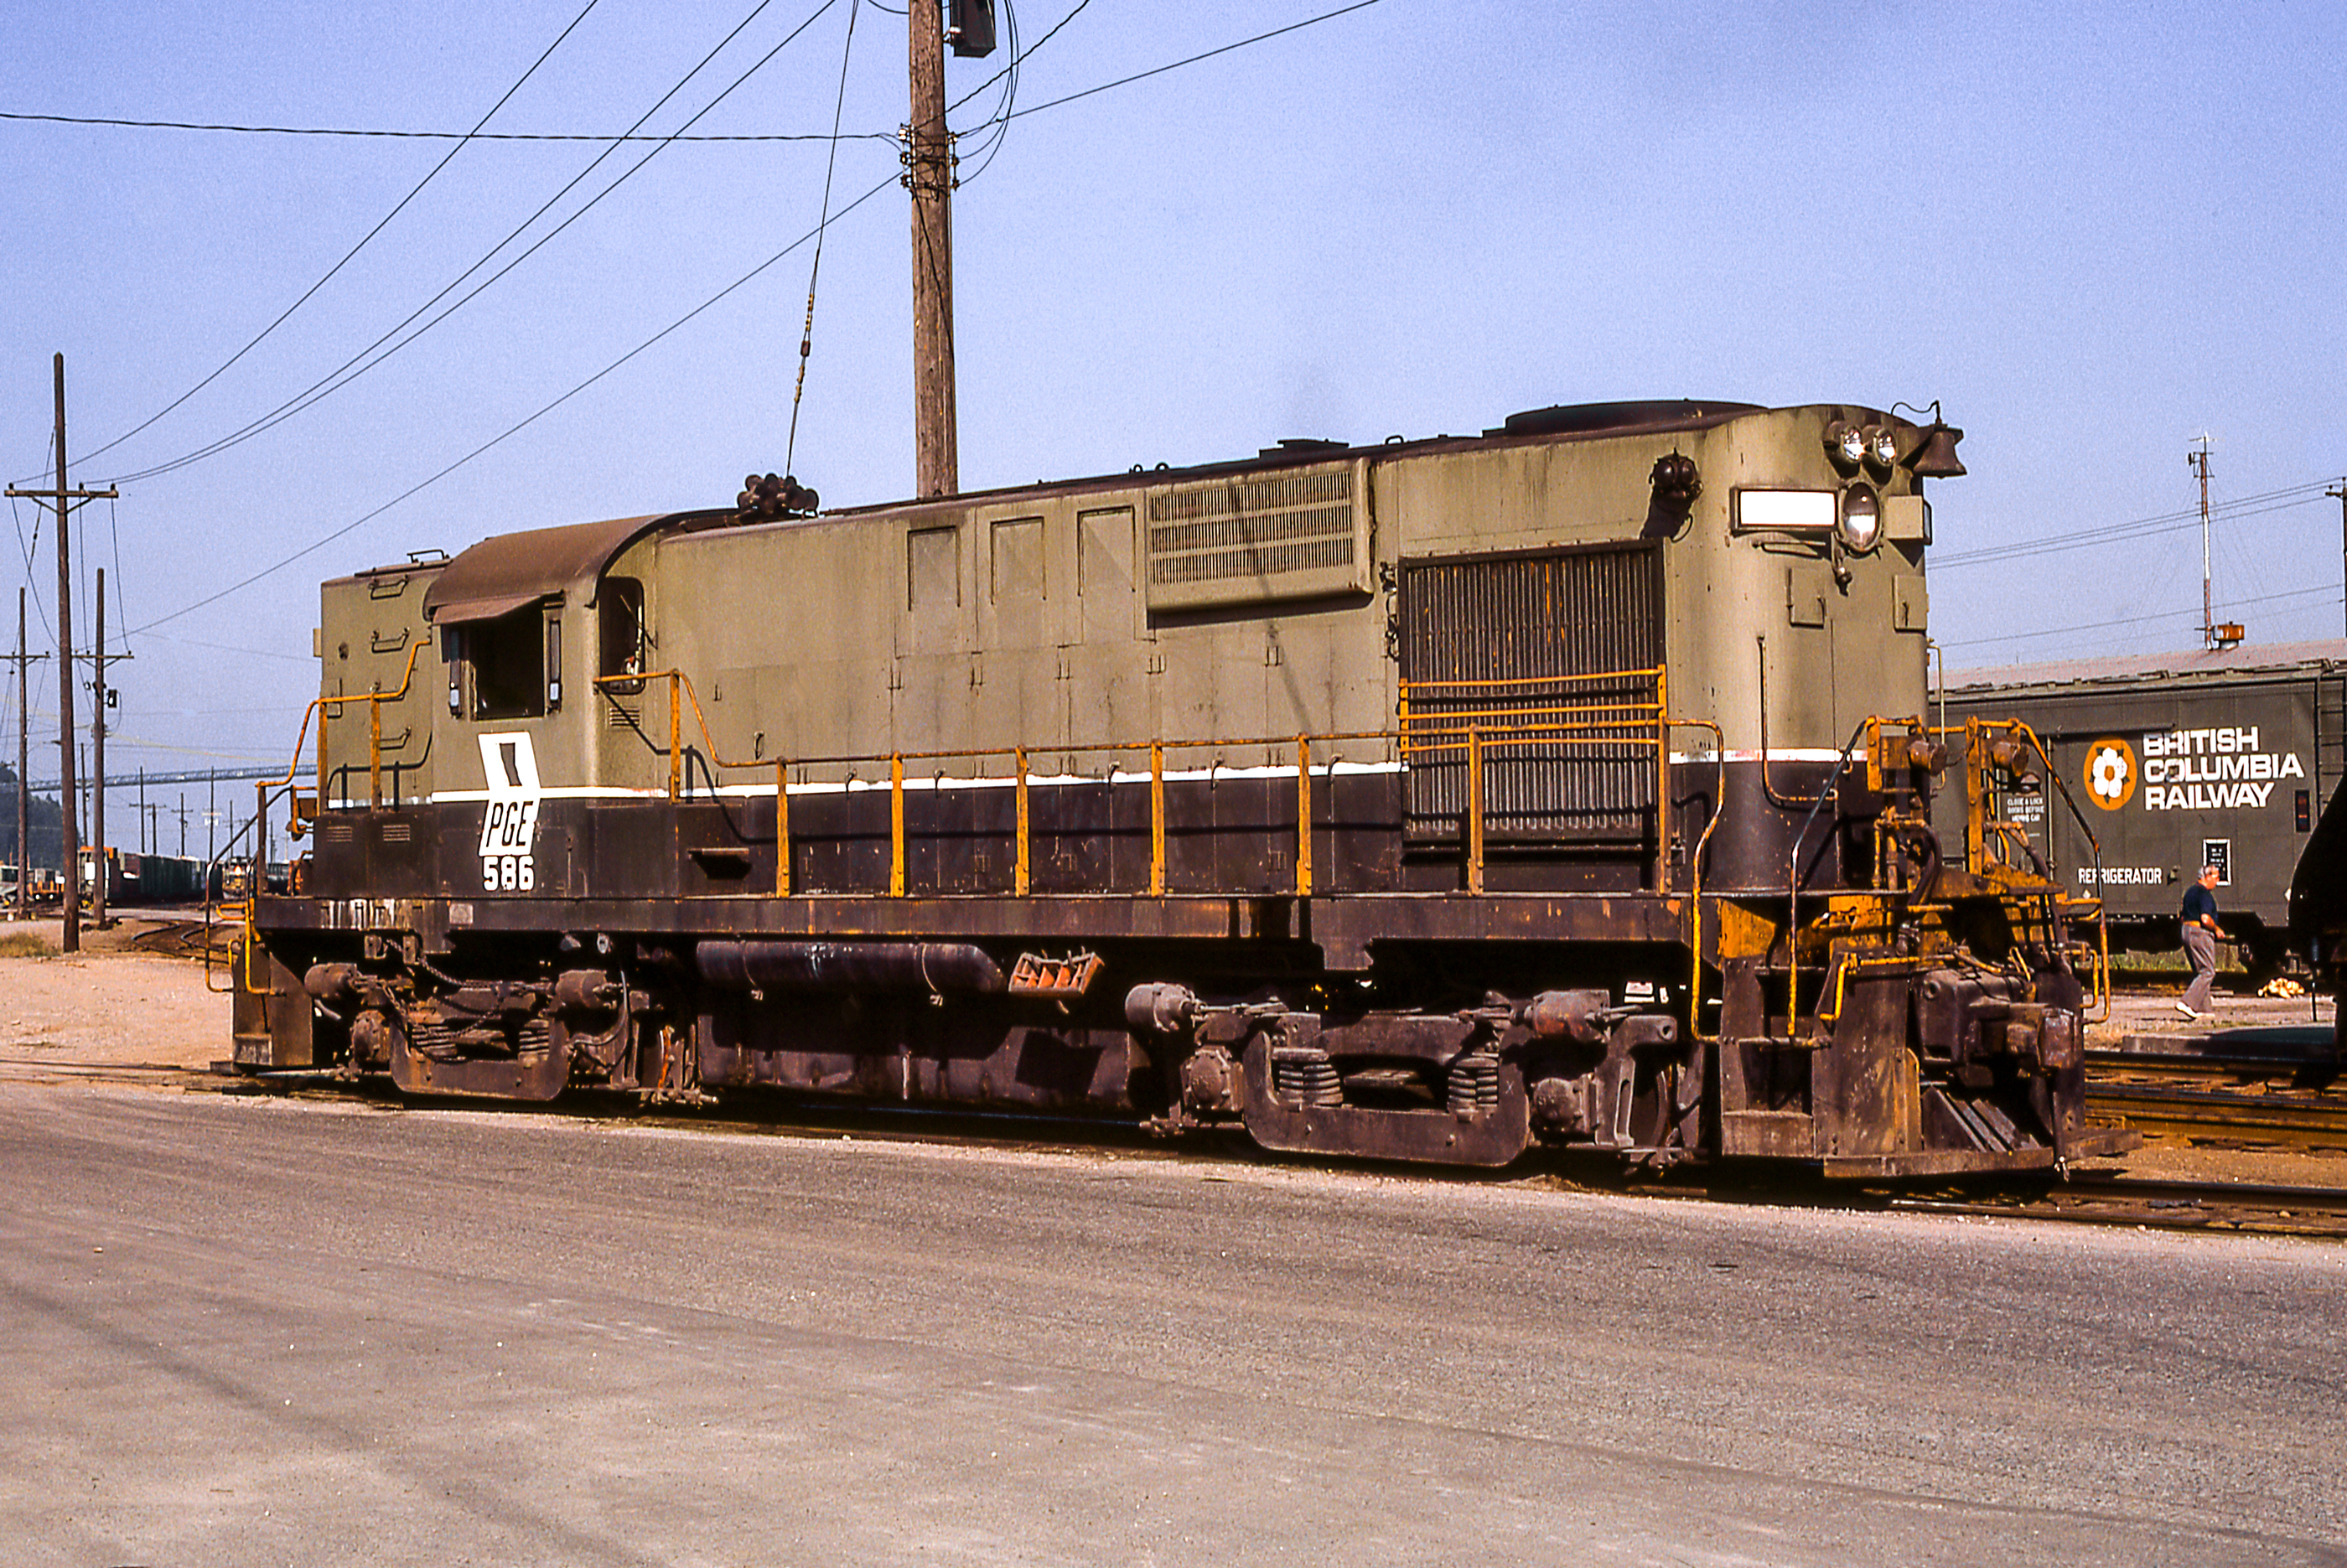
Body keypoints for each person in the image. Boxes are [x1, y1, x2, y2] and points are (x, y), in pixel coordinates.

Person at [2177, 864, 2226, 1020]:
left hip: (2186, 930)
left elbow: (2182, 916)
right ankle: (2188, 1003)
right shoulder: (2205, 895)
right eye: (2216, 876)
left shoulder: (2189, 892)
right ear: (2207, 877)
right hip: (2200, 933)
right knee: (2208, 971)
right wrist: (2216, 929)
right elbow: (2205, 918)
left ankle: (2204, 1010)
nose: (2217, 880)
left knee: (2200, 972)